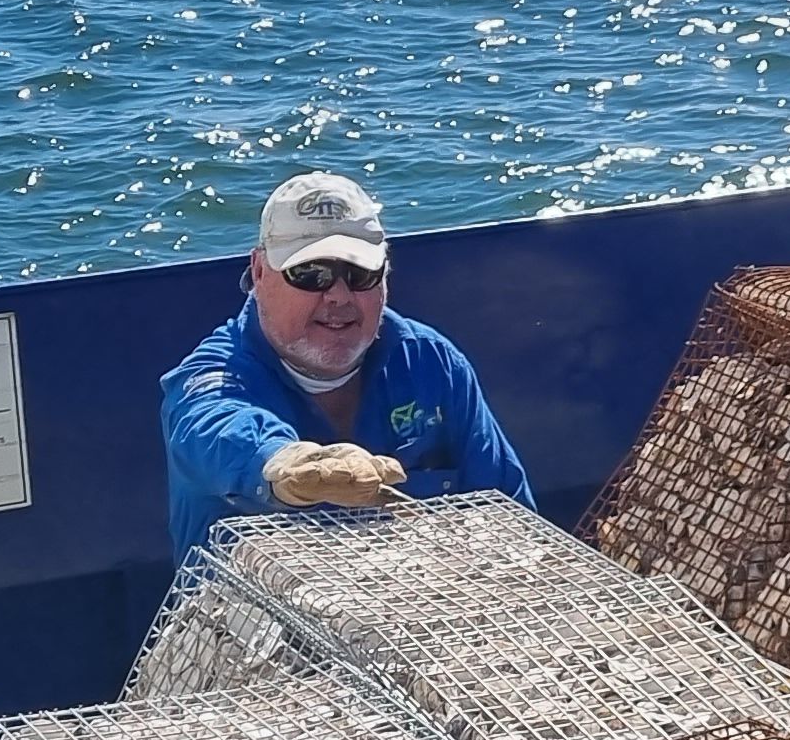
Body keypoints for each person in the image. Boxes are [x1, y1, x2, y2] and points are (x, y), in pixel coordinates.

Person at [160, 171, 534, 559]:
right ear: (259, 272)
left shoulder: (432, 362)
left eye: (360, 274)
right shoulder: (210, 378)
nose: (338, 296)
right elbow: (214, 426)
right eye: (310, 274)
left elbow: (508, 511)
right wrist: (287, 466)